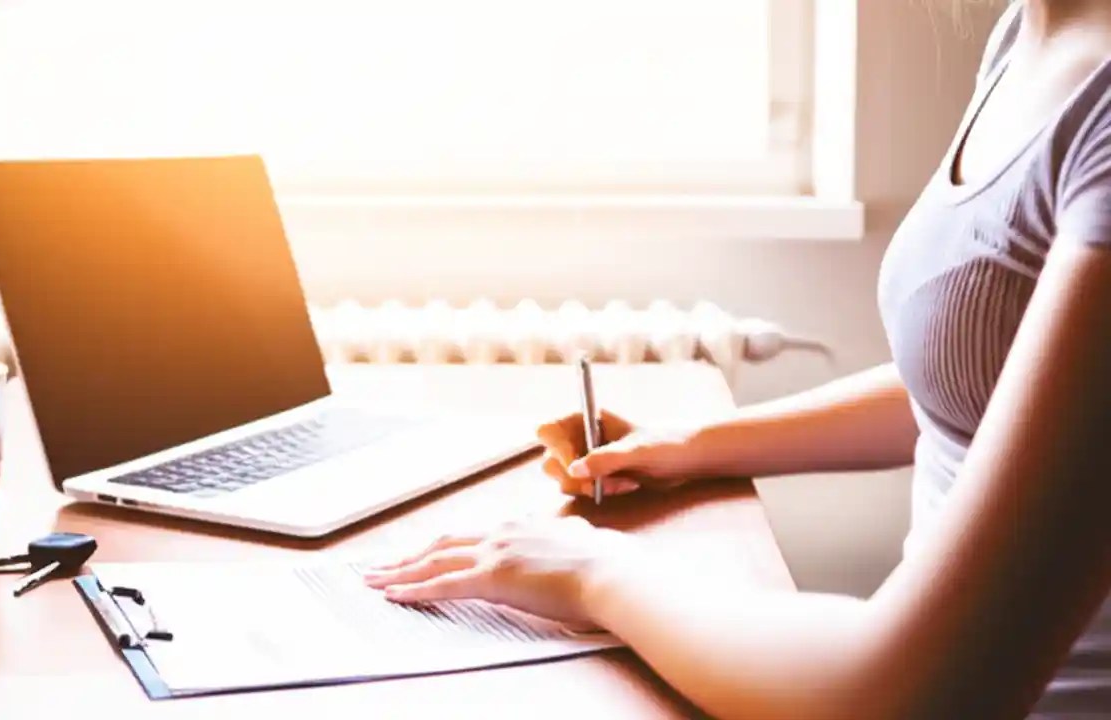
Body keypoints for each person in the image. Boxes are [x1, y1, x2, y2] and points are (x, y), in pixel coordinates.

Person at [363, 2, 1111, 717]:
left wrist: (592, 571)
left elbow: (909, 693)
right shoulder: (1030, 35)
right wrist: (694, 445)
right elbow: (990, 389)